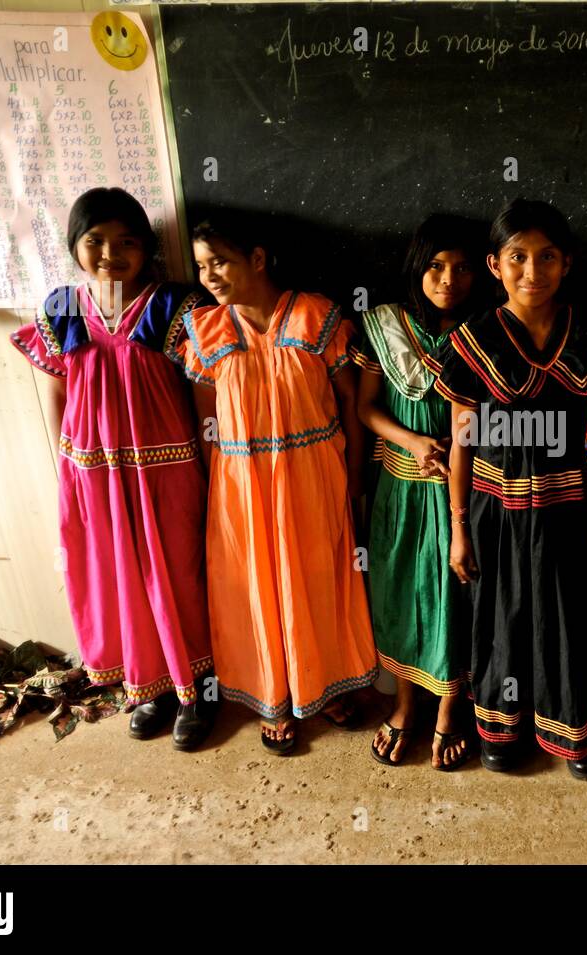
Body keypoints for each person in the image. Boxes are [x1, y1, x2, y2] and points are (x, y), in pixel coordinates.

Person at [8, 187, 216, 750]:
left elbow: (203, 390)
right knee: (113, 574)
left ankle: (195, 689)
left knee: (177, 571)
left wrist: (209, 455)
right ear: (74, 246)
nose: (110, 254)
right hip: (91, 472)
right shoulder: (63, 308)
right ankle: (145, 687)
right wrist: (64, 465)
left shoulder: (175, 305)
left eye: (126, 241)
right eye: (95, 241)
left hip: (167, 467)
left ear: (148, 247)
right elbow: (57, 392)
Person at [177, 213, 377, 754]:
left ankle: (323, 686)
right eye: (201, 266)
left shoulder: (318, 317)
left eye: (220, 260)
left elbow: (351, 406)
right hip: (241, 484)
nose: (210, 275)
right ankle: (274, 695)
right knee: (255, 585)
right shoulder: (204, 330)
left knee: (317, 578)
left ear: (258, 259)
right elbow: (206, 424)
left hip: (313, 473)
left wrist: (357, 475)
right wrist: (214, 487)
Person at [437, 198, 587, 778]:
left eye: (547, 258)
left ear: (567, 264)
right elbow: (462, 441)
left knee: (568, 620)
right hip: (496, 512)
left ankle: (572, 731)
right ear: (495, 265)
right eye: (518, 257)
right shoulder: (473, 343)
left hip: (573, 511)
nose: (532, 273)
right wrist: (459, 529)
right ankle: (501, 727)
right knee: (501, 617)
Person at [355, 214, 486, 770]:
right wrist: (410, 440)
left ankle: (451, 707)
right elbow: (365, 409)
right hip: (401, 490)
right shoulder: (386, 326)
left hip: (464, 490)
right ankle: (407, 700)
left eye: (461, 267)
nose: (448, 279)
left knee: (456, 601)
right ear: (416, 266)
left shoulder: (487, 330)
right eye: (435, 266)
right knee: (401, 596)